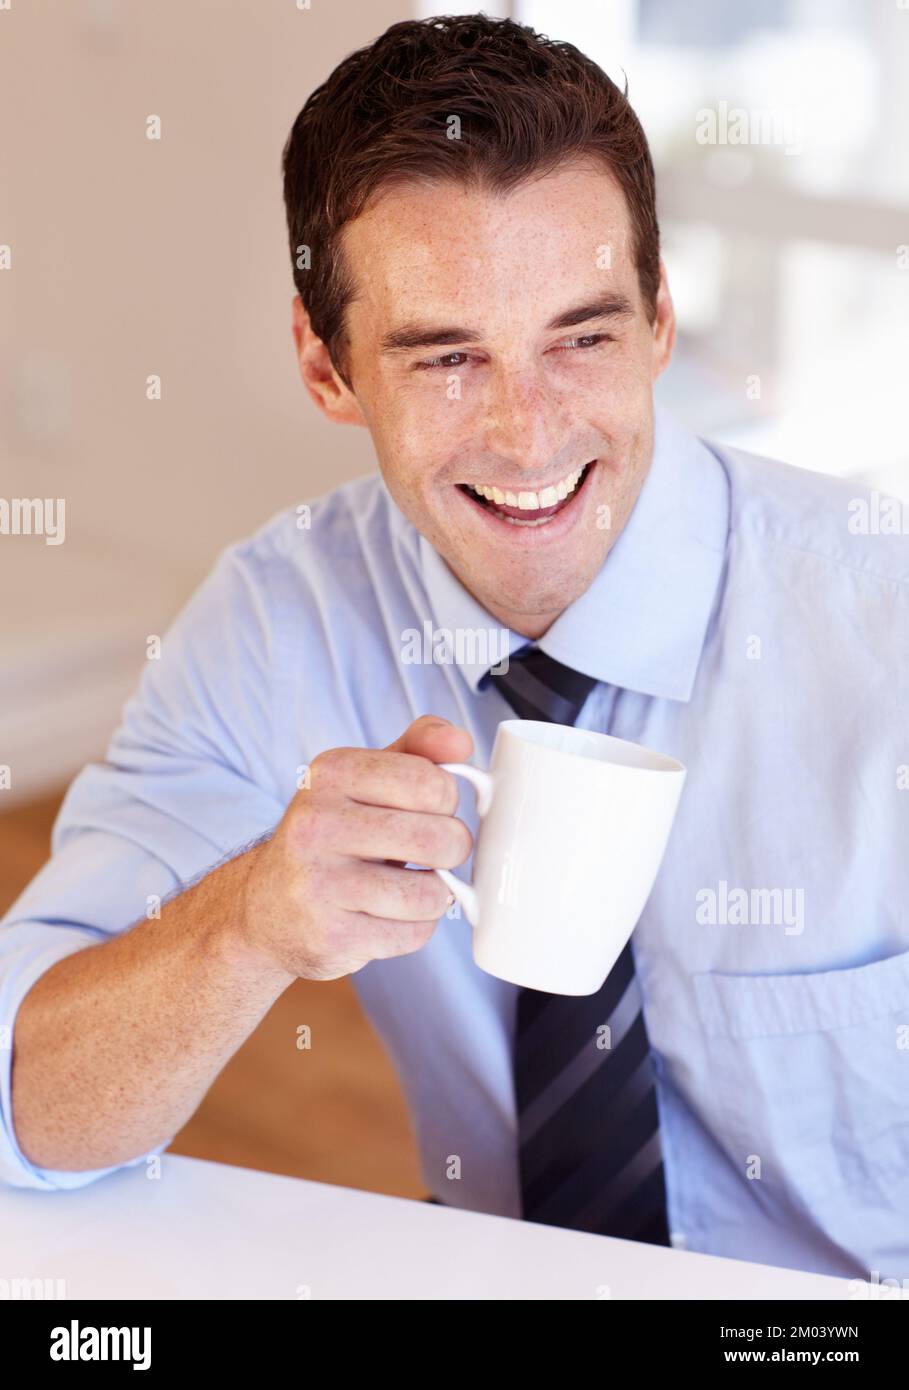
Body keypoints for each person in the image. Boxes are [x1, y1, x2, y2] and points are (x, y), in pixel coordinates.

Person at [2, 15, 907, 1282]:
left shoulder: (883, 630)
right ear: (327, 368)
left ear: (659, 323)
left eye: (582, 337)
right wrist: (248, 926)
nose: (528, 437)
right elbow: (26, 1105)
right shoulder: (279, 623)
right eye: (446, 359)